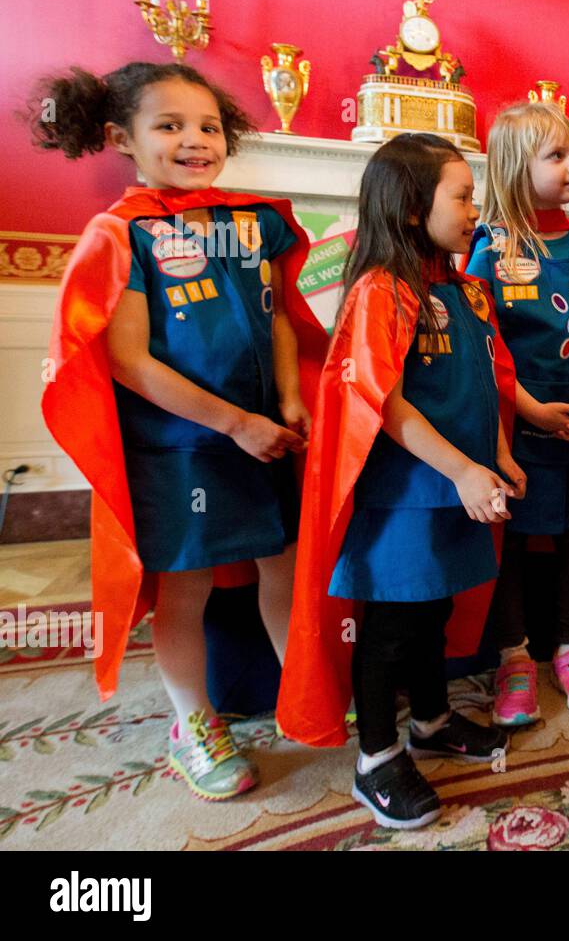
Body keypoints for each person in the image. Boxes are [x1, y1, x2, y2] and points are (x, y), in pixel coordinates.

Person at [35, 62, 315, 799]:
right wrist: (233, 423)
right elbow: (126, 359)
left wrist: (288, 400)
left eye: (208, 127)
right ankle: (193, 721)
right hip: (184, 448)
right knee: (184, 590)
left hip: (266, 437)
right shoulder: (123, 234)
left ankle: (303, 690)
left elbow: (279, 315)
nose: (195, 141)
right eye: (170, 126)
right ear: (119, 138)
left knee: (282, 569)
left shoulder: (249, 222)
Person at [278, 134, 523, 829]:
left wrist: (499, 454)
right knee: (390, 627)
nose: (475, 209)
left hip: (458, 488)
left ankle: (433, 720)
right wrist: (463, 469)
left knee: (434, 613)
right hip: (404, 499)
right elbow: (382, 403)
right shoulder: (380, 291)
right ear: (413, 209)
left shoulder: (468, 290)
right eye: (463, 196)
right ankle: (377, 758)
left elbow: (483, 387)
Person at [466, 102, 569, 724]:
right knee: (512, 539)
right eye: (556, 156)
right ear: (514, 167)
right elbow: (481, 344)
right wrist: (532, 410)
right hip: (518, 421)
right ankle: (514, 656)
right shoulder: (490, 248)